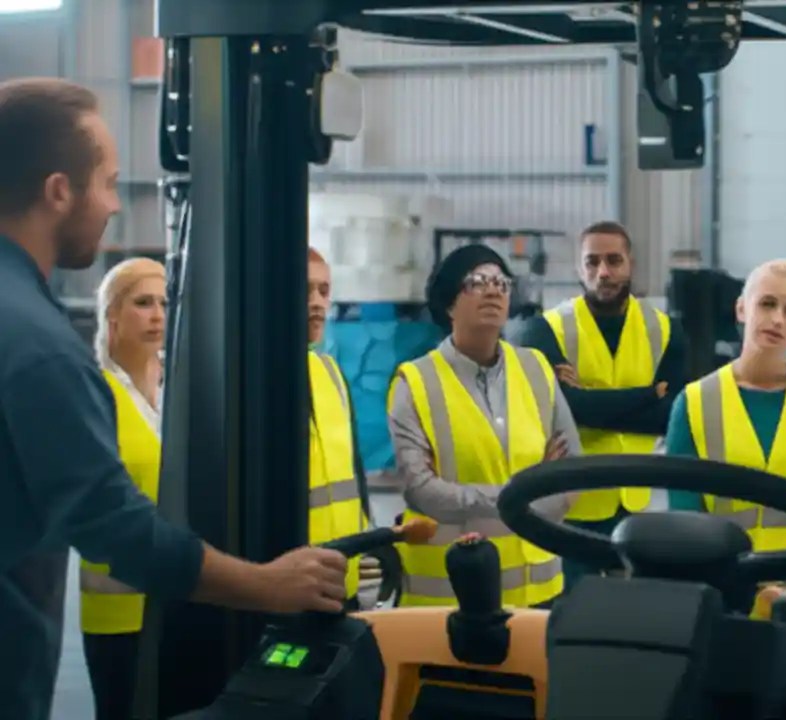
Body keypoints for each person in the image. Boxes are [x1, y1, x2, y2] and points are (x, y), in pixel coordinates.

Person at [0, 77, 347, 720]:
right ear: (57, 192)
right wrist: (268, 586)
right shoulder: (39, 347)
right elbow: (118, 530)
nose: (110, 205)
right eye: (106, 182)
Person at [388, 244, 581, 608]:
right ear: (448, 303)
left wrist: (469, 496)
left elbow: (570, 478)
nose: (493, 290)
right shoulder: (415, 383)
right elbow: (422, 492)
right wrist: (522, 493)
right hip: (448, 595)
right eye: (477, 282)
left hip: (538, 593)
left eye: (501, 282)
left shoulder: (537, 369)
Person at [515, 220, 688, 590]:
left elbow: (670, 417)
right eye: (592, 262)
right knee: (574, 613)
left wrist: (585, 403)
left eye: (613, 261)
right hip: (573, 503)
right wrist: (645, 394)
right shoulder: (544, 330)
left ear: (631, 265)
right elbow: (565, 410)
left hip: (641, 501)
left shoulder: (665, 330)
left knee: (638, 617)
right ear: (579, 267)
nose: (603, 272)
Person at [663, 259, 786, 588]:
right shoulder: (695, 402)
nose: (777, 319)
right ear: (742, 309)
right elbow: (685, 513)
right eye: (767, 304)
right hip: (725, 585)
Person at [78, 258, 167, 720]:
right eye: (143, 303)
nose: (157, 315)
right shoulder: (96, 394)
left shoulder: (183, 386)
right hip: (119, 612)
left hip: (184, 599)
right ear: (112, 315)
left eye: (164, 303)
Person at [306, 247, 383, 608]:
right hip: (288, 581)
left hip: (342, 576)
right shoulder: (252, 378)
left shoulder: (330, 373)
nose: (317, 302)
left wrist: (369, 543)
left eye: (324, 290)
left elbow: (355, 474)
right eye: (305, 290)